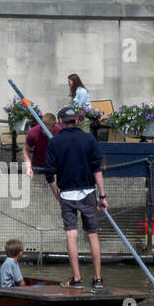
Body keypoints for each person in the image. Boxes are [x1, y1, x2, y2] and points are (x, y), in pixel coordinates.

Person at [42, 106, 106, 290]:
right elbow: (97, 169)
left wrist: (57, 194)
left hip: (67, 194)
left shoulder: (55, 142)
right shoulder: (89, 139)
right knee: (92, 235)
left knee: (71, 235)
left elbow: (49, 174)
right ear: (77, 120)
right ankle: (98, 278)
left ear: (60, 122)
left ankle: (77, 278)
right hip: (88, 192)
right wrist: (102, 196)